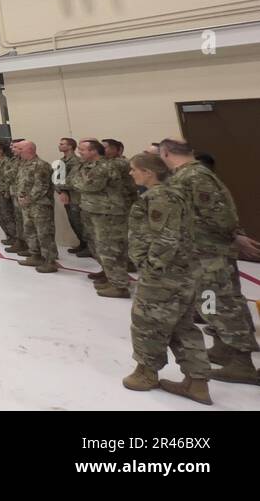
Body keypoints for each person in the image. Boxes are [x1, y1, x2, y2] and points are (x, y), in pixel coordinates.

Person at [159, 138, 259, 384]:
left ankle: (241, 363)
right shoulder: (194, 174)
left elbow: (219, 215)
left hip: (207, 254)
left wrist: (234, 236)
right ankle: (223, 347)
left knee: (219, 304)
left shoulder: (192, 177)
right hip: (202, 251)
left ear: (165, 153)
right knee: (212, 303)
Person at [122, 152, 212, 404]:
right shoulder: (176, 193)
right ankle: (197, 382)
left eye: (134, 169)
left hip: (164, 274)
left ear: (148, 173)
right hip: (183, 271)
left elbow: (166, 237)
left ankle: (146, 372)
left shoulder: (160, 196)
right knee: (182, 327)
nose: (131, 173)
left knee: (147, 322)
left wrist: (151, 267)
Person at [70, 139, 130, 298]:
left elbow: (88, 186)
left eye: (82, 149)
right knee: (98, 245)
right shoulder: (88, 166)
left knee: (110, 248)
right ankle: (109, 275)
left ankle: (119, 286)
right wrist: (77, 180)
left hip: (107, 212)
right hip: (92, 209)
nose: (79, 152)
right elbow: (73, 181)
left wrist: (77, 180)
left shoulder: (104, 166)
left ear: (93, 151)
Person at [13, 141, 57, 272]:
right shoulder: (23, 165)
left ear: (30, 150)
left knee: (44, 234)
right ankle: (35, 255)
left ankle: (50, 261)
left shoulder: (41, 165)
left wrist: (28, 198)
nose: (18, 151)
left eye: (20, 148)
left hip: (40, 205)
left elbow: (41, 186)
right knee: (30, 232)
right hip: (27, 205)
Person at [57, 137, 89, 257]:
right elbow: (56, 179)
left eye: (62, 144)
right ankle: (82, 243)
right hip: (66, 196)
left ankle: (88, 246)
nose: (59, 145)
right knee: (73, 221)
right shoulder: (61, 161)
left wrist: (63, 189)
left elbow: (74, 181)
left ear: (70, 146)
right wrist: (61, 191)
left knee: (79, 222)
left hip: (76, 197)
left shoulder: (76, 161)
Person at [0, 142, 20, 249]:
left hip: (4, 193)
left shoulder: (6, 162)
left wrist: (7, 191)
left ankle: (16, 239)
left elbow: (9, 179)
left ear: (1, 150)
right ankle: (10, 236)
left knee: (8, 217)